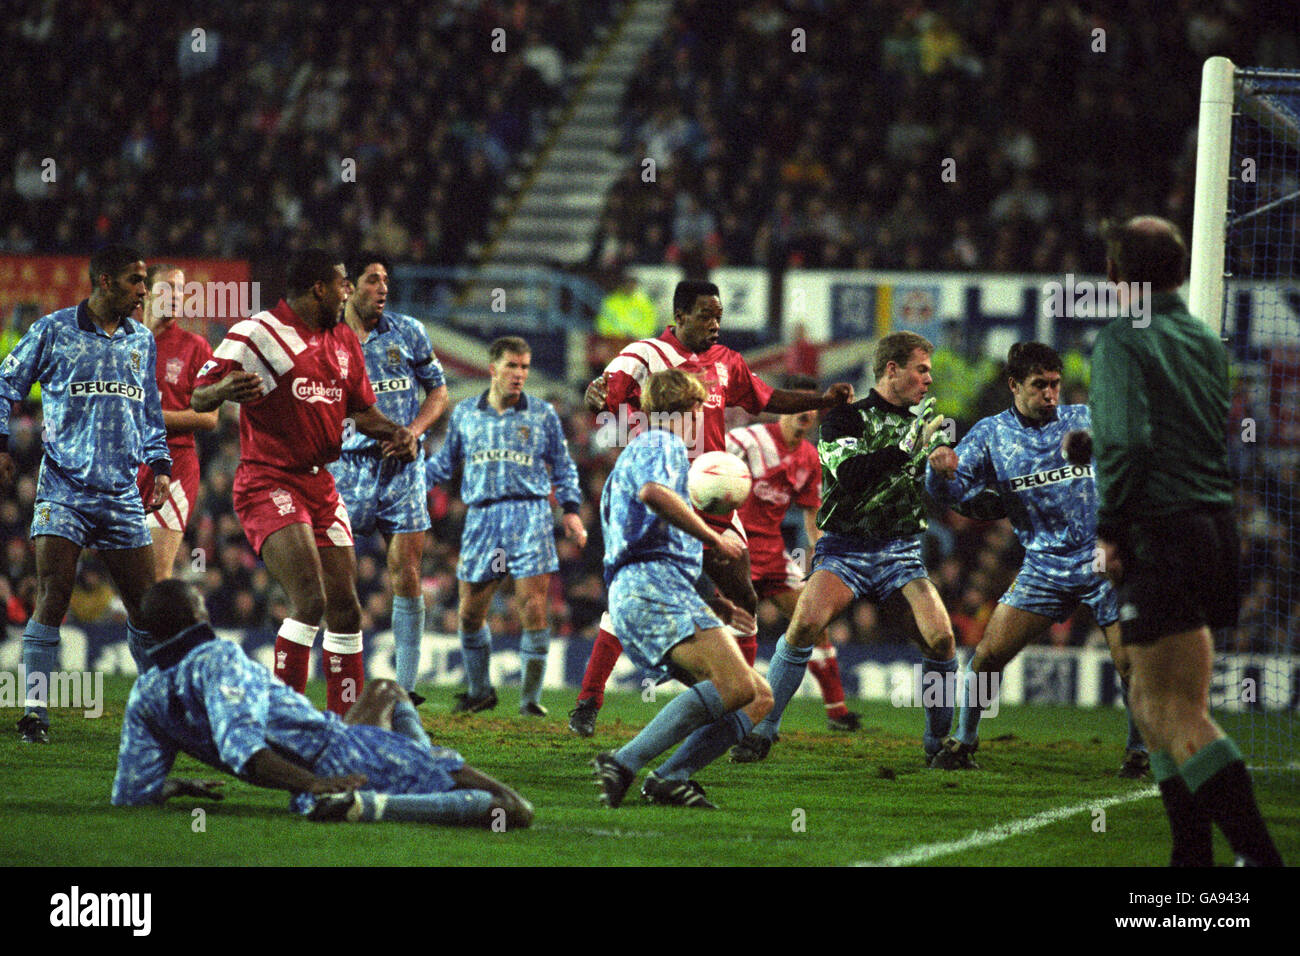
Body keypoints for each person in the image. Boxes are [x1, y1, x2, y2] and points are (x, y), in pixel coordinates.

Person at [568, 280, 853, 737]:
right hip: (665, 498)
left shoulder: (727, 363)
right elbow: (602, 392)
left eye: (719, 315)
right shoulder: (644, 356)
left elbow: (769, 399)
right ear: (679, 315)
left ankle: (739, 703)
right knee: (631, 600)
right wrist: (593, 395)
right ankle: (587, 702)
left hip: (717, 497)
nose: (715, 324)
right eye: (705, 315)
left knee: (744, 597)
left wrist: (822, 400)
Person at [1090, 216, 1282, 866]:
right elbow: (1178, 428)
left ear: (1117, 276)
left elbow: (1130, 442)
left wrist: (1111, 529)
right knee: (1152, 700)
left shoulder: (1122, 339)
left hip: (1159, 529)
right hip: (1212, 529)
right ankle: (1190, 858)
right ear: (1176, 272)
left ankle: (1259, 858)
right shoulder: (1202, 338)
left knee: (1172, 708)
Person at [191, 250, 417, 716]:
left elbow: (360, 409)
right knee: (309, 600)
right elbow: (198, 393)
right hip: (268, 479)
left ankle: (344, 724)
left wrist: (397, 432)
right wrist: (223, 391)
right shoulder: (257, 333)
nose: (348, 292)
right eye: (342, 284)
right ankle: (285, 719)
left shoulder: (343, 340)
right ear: (319, 288)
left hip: (320, 484)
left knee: (346, 609)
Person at [111, 579, 533, 828]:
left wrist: (176, 786)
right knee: (515, 809)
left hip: (330, 750)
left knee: (386, 690)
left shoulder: (145, 694)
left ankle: (416, 761)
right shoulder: (217, 658)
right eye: (201, 606)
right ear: (196, 617)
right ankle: (371, 803)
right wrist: (312, 785)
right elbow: (242, 746)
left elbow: (131, 793)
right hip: (342, 755)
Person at [729, 331, 958, 765]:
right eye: (921, 370)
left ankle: (939, 745)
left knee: (942, 639)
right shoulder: (843, 418)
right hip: (846, 549)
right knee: (803, 627)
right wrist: (911, 446)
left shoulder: (929, 421)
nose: (929, 380)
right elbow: (851, 475)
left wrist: (944, 465)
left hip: (900, 551)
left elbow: (941, 460)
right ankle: (762, 731)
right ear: (892, 370)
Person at [924, 342, 1146, 775]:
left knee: (1129, 663)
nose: (1050, 393)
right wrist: (939, 471)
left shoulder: (1084, 421)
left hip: (1103, 561)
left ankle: (1138, 751)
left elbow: (1133, 459)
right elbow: (951, 494)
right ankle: (963, 742)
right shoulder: (990, 434)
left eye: (1055, 384)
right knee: (987, 656)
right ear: (1013, 385)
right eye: (1039, 385)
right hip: (1044, 567)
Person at [0, 244, 171, 743]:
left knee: (145, 607)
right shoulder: (53, 330)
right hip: (64, 489)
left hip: (121, 492)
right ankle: (34, 711)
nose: (144, 291)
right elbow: (5, 384)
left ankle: (154, 709)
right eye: (136, 281)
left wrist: (160, 464)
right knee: (53, 594)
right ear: (104, 280)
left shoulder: (141, 339)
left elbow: (150, 412)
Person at [592, 369, 772, 808]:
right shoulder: (662, 444)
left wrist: (712, 598)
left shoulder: (634, 457)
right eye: (703, 408)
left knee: (756, 696)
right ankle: (625, 760)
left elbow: (657, 529)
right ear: (692, 410)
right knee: (735, 687)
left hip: (648, 590)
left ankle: (672, 776)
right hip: (653, 586)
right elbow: (654, 494)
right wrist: (715, 537)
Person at [425, 336, 586, 716]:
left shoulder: (542, 414)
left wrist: (571, 509)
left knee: (532, 606)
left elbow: (563, 467)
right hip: (483, 518)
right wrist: (410, 480)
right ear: (493, 368)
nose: (519, 374)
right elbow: (444, 465)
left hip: (529, 516)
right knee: (469, 613)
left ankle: (530, 700)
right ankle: (480, 690)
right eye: (512, 366)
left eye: (525, 367)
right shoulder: (465, 413)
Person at [327, 254, 448, 697]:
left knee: (408, 573)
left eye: (386, 282)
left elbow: (438, 390)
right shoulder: (328, 338)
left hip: (402, 468)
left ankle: (407, 689)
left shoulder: (409, 331)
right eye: (372, 280)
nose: (382, 289)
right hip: (345, 468)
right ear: (348, 286)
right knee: (338, 581)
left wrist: (414, 432)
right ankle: (340, 685)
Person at [725, 374, 861, 736]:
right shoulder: (744, 441)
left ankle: (837, 710)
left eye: (812, 406)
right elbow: (705, 477)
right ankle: (732, 708)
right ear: (783, 408)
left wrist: (821, 550)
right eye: (798, 404)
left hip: (771, 552)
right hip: (733, 551)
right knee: (734, 628)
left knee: (812, 620)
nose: (805, 412)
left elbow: (811, 512)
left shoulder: (809, 457)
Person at [134, 264, 218, 581]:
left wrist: (153, 417)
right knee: (131, 579)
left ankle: (166, 630)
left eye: (181, 290)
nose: (176, 296)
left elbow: (210, 417)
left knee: (156, 574)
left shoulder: (195, 347)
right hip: (127, 468)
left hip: (174, 466)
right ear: (145, 293)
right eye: (167, 288)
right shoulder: (123, 341)